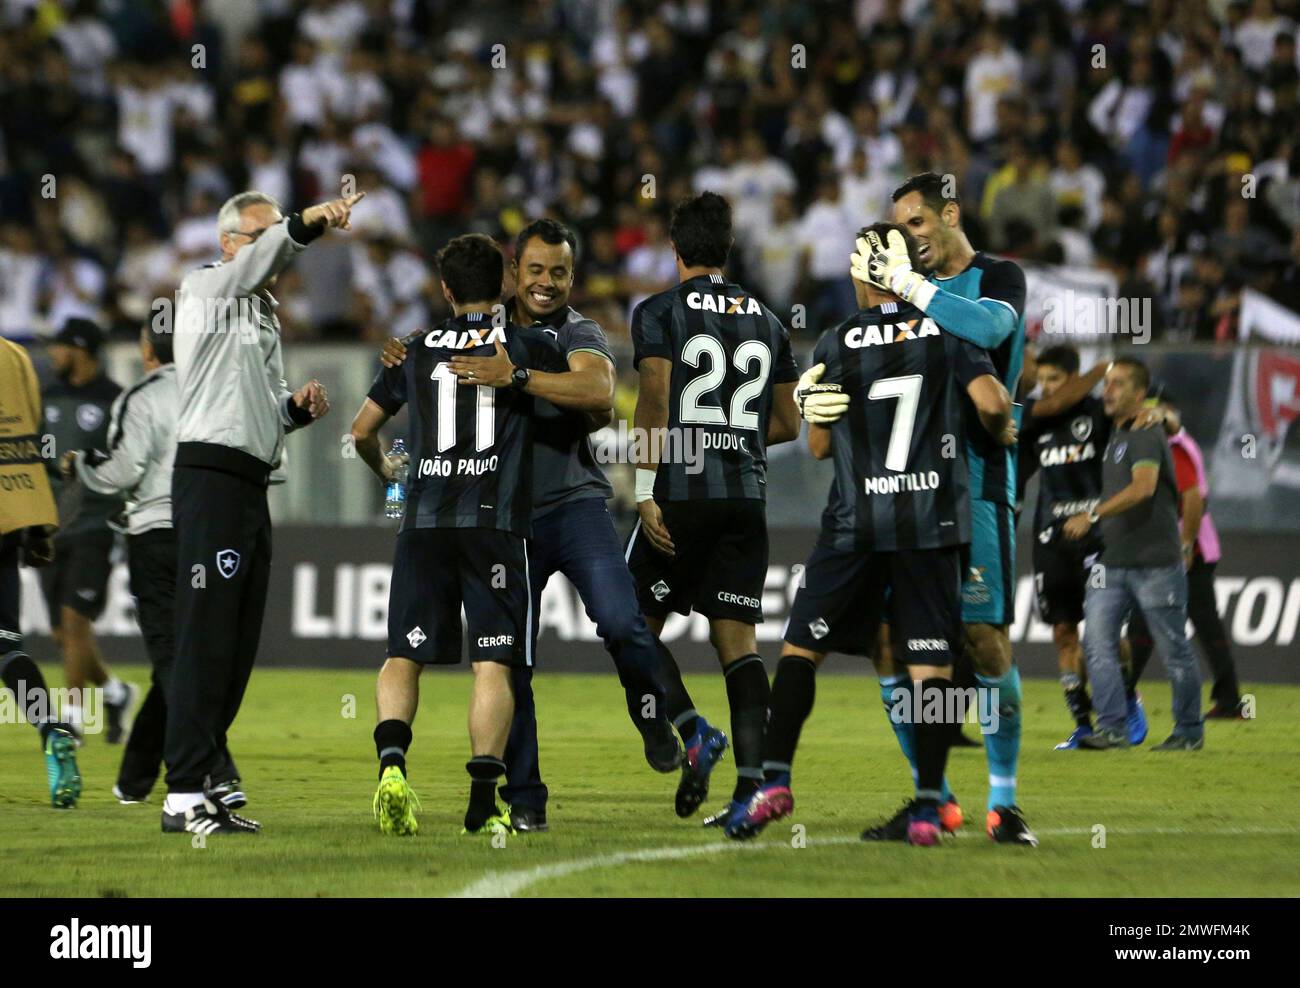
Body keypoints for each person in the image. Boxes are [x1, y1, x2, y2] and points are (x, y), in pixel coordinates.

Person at [378, 218, 679, 834]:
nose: (547, 283)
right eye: (536, 271)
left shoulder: (577, 330)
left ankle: (651, 714)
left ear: (573, 277)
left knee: (623, 619)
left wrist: (514, 376)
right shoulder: (485, 330)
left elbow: (599, 393)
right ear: (512, 275)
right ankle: (525, 800)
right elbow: (431, 350)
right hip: (505, 518)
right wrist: (403, 351)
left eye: (560, 273)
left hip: (573, 504)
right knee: (511, 663)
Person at [726, 224, 1016, 845]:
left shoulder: (837, 338)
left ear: (864, 276)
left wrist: (815, 405)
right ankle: (929, 808)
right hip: (931, 523)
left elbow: (822, 442)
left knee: (802, 650)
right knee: (930, 668)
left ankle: (775, 779)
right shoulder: (947, 331)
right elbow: (993, 403)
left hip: (855, 521)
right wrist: (997, 430)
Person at [352, 233, 574, 837]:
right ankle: (482, 798)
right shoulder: (526, 344)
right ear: (503, 283)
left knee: (403, 655)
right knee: (493, 663)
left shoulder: (413, 350)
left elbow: (362, 430)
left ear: (444, 290)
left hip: (424, 523)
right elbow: (585, 397)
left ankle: (393, 767)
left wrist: (387, 471)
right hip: (494, 526)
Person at [162, 190, 349, 836]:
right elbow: (259, 263)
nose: (273, 246)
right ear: (229, 243)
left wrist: (292, 411)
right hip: (210, 479)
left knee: (236, 646)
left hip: (247, 482)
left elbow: (259, 411)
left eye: (276, 234)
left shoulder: (259, 313)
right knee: (205, 637)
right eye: (260, 234)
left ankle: (206, 774)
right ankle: (181, 791)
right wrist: (308, 221)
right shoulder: (207, 288)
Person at [858, 172, 1034, 844]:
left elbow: (988, 329)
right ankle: (934, 799)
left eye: (918, 224)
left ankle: (1005, 803)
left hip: (978, 484)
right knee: (886, 645)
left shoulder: (997, 277)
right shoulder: (904, 291)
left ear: (950, 213)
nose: (909, 239)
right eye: (900, 230)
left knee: (983, 643)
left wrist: (909, 287)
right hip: (901, 491)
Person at [625, 191, 801, 825]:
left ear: (674, 249)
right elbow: (788, 422)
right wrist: (737, 436)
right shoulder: (769, 319)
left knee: (632, 625)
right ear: (728, 249)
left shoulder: (659, 312)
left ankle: (692, 730)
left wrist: (644, 486)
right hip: (745, 498)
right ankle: (753, 790)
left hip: (680, 494)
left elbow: (655, 397)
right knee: (739, 644)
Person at [63, 323, 246, 806]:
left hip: (155, 537)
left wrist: (81, 464)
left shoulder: (141, 396)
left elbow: (121, 470)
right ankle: (134, 781)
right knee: (187, 659)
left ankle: (217, 768)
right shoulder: (214, 387)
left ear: (146, 350)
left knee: (172, 659)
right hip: (207, 533)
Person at [1017, 345, 1162, 749]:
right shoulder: (1034, 420)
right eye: (1041, 380)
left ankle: (1128, 699)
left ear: (1074, 378)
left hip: (1098, 540)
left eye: (1054, 380)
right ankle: (1082, 723)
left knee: (1106, 634)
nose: (1045, 388)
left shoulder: (1099, 413)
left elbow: (1152, 413)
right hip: (1050, 538)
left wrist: (1161, 415)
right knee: (1064, 633)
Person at [1063, 359, 1204, 751]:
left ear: (1140, 395)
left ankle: (1189, 732)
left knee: (1174, 648)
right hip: (1113, 561)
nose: (1108, 390)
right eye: (1107, 383)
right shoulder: (1118, 430)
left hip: (1156, 562)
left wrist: (1091, 514)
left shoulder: (1144, 430)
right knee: (1096, 641)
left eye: (1118, 384)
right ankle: (1112, 729)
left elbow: (1143, 488)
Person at [39, 318, 136, 742]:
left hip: (96, 523)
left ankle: (74, 720)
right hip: (49, 526)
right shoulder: (48, 397)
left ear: (80, 349)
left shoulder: (116, 400)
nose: (52, 355)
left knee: (75, 620)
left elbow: (128, 460)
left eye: (58, 347)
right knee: (63, 634)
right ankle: (115, 692)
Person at [1126, 391, 1245, 720]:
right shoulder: (1168, 442)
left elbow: (1193, 499)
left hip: (1188, 550)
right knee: (1192, 624)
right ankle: (1230, 698)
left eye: (1154, 409)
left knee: (1150, 622)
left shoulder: (1174, 443)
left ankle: (1122, 693)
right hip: (1176, 548)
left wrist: (1186, 544)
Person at [0, 337, 80, 807]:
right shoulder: (16, 356)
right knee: (7, 645)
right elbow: (30, 437)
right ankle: (51, 728)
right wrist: (36, 526)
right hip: (12, 511)